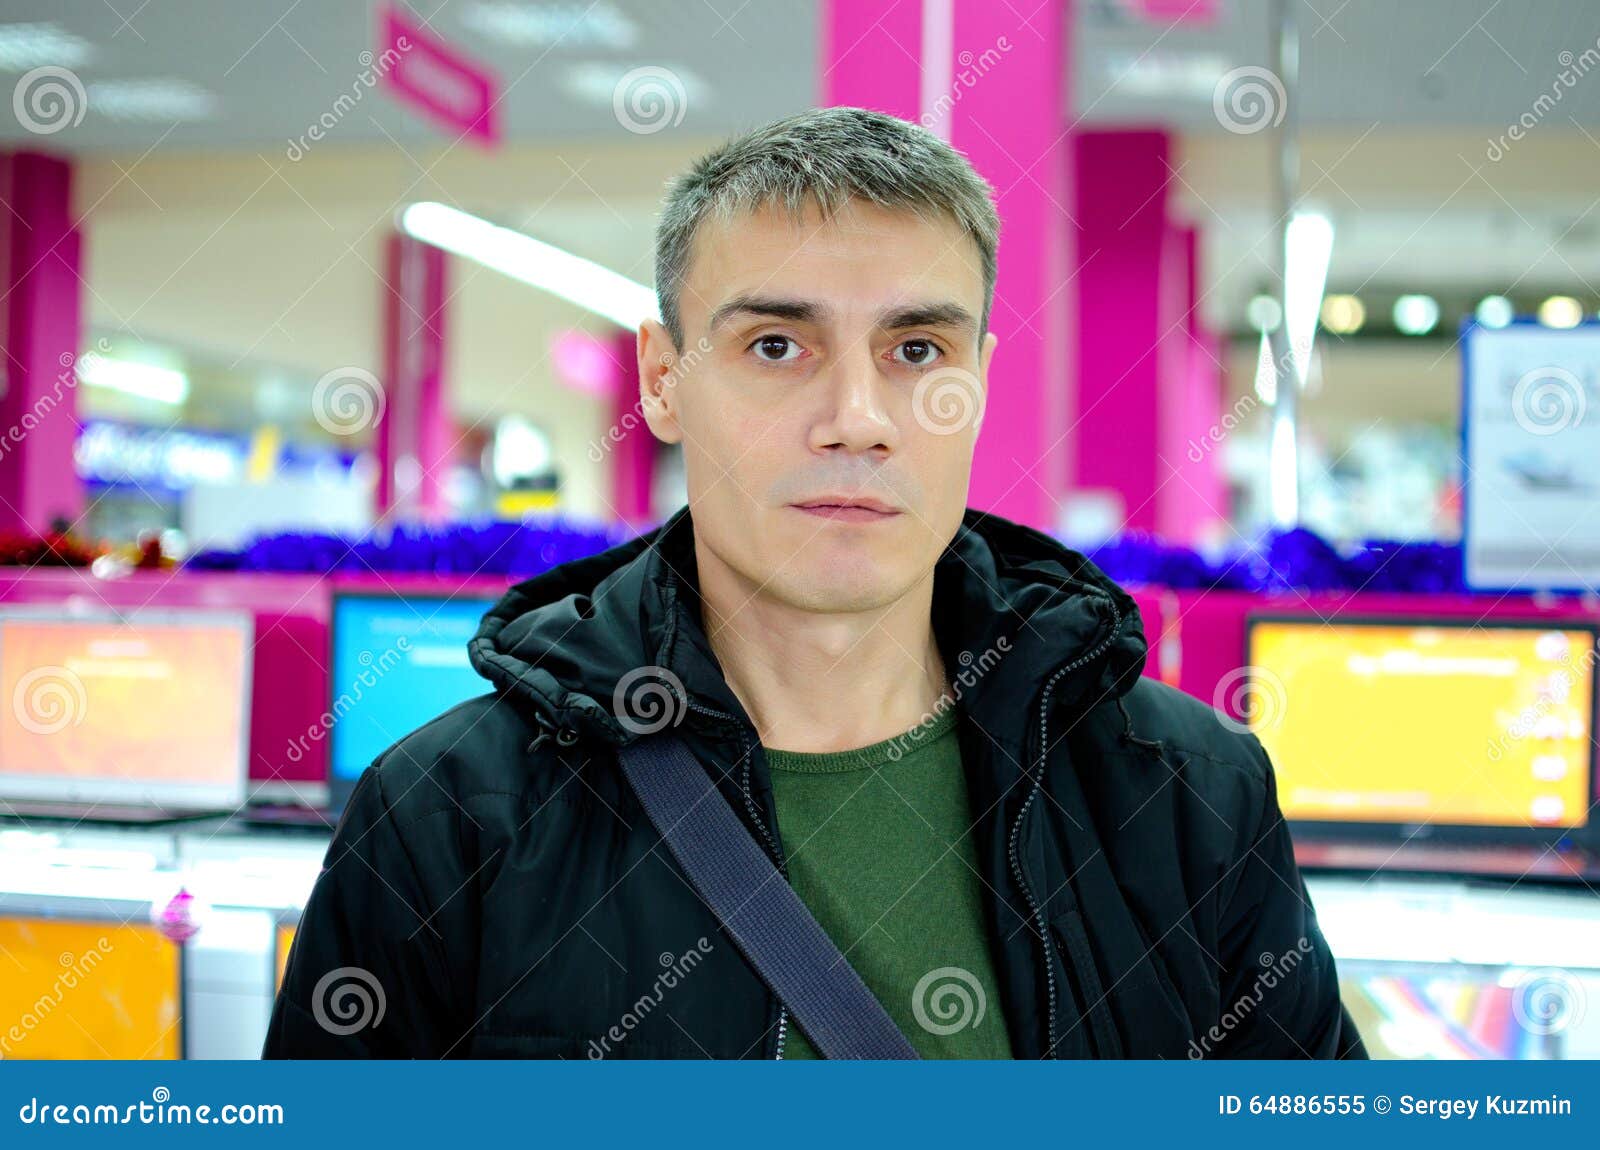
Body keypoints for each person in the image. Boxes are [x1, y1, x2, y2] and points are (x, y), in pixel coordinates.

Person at [265, 106, 1364, 1060]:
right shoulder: (454, 815)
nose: (858, 420)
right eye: (778, 346)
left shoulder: (1182, 791)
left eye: (918, 349)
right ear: (663, 380)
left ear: (975, 380)